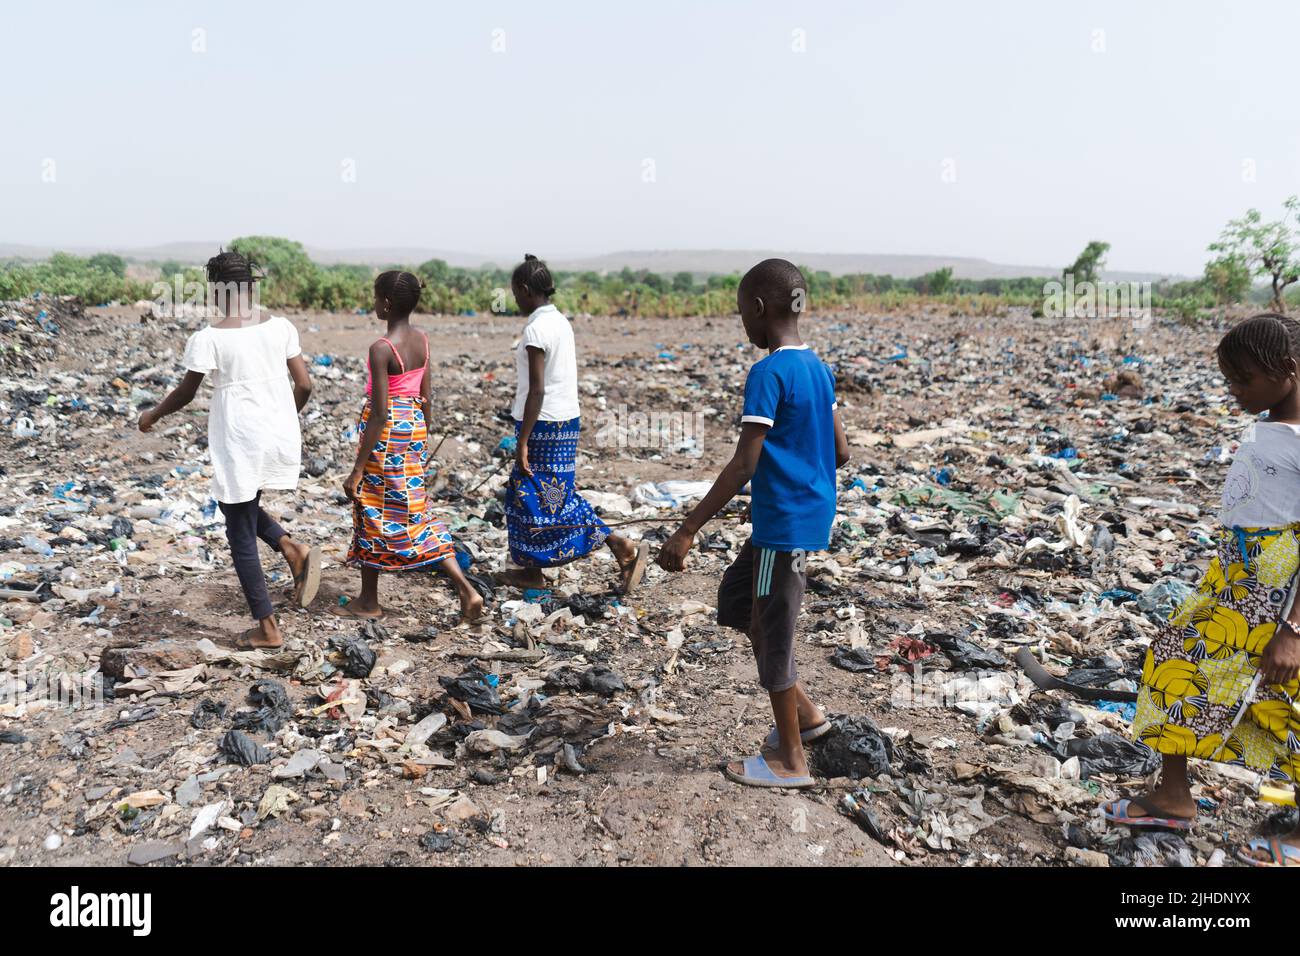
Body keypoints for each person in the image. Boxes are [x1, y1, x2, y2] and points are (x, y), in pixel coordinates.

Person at [1103, 313, 1300, 866]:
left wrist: (1292, 630)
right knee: (1174, 659)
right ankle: (1173, 794)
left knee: (1288, 699)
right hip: (1237, 581)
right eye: (1229, 380)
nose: (1234, 391)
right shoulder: (1273, 426)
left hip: (1279, 595)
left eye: (1243, 380)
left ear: (1286, 369)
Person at [657, 258, 850, 788]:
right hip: (793, 517)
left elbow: (745, 462)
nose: (744, 322)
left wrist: (688, 529)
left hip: (783, 529)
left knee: (775, 632)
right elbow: (841, 450)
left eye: (743, 312)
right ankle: (806, 718)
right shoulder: (818, 368)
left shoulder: (768, 372)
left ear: (760, 309)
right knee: (739, 601)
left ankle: (791, 761)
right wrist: (784, 486)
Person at [138, 250, 320, 648]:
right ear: (250, 287)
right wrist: (284, 418)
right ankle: (291, 547)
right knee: (236, 503)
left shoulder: (209, 338)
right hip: (276, 433)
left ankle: (268, 629)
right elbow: (304, 386)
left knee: (237, 530)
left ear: (217, 290)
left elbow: (187, 393)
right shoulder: (282, 327)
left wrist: (152, 414)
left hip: (239, 437)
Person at [337, 271, 484, 623]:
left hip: (385, 433)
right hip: (414, 427)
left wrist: (358, 468)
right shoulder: (422, 341)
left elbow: (381, 413)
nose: (373, 304)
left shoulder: (381, 349)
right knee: (414, 509)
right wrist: (419, 441)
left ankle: (369, 601)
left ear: (386, 304)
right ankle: (465, 588)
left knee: (370, 505)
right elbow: (426, 396)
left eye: (375, 298)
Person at [501, 254, 648, 591]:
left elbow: (537, 390)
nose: (514, 299)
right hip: (564, 421)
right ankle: (531, 570)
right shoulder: (560, 321)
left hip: (543, 423)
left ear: (524, 289)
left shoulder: (537, 328)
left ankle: (618, 544)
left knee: (539, 497)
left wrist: (522, 441)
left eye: (515, 292)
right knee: (540, 496)